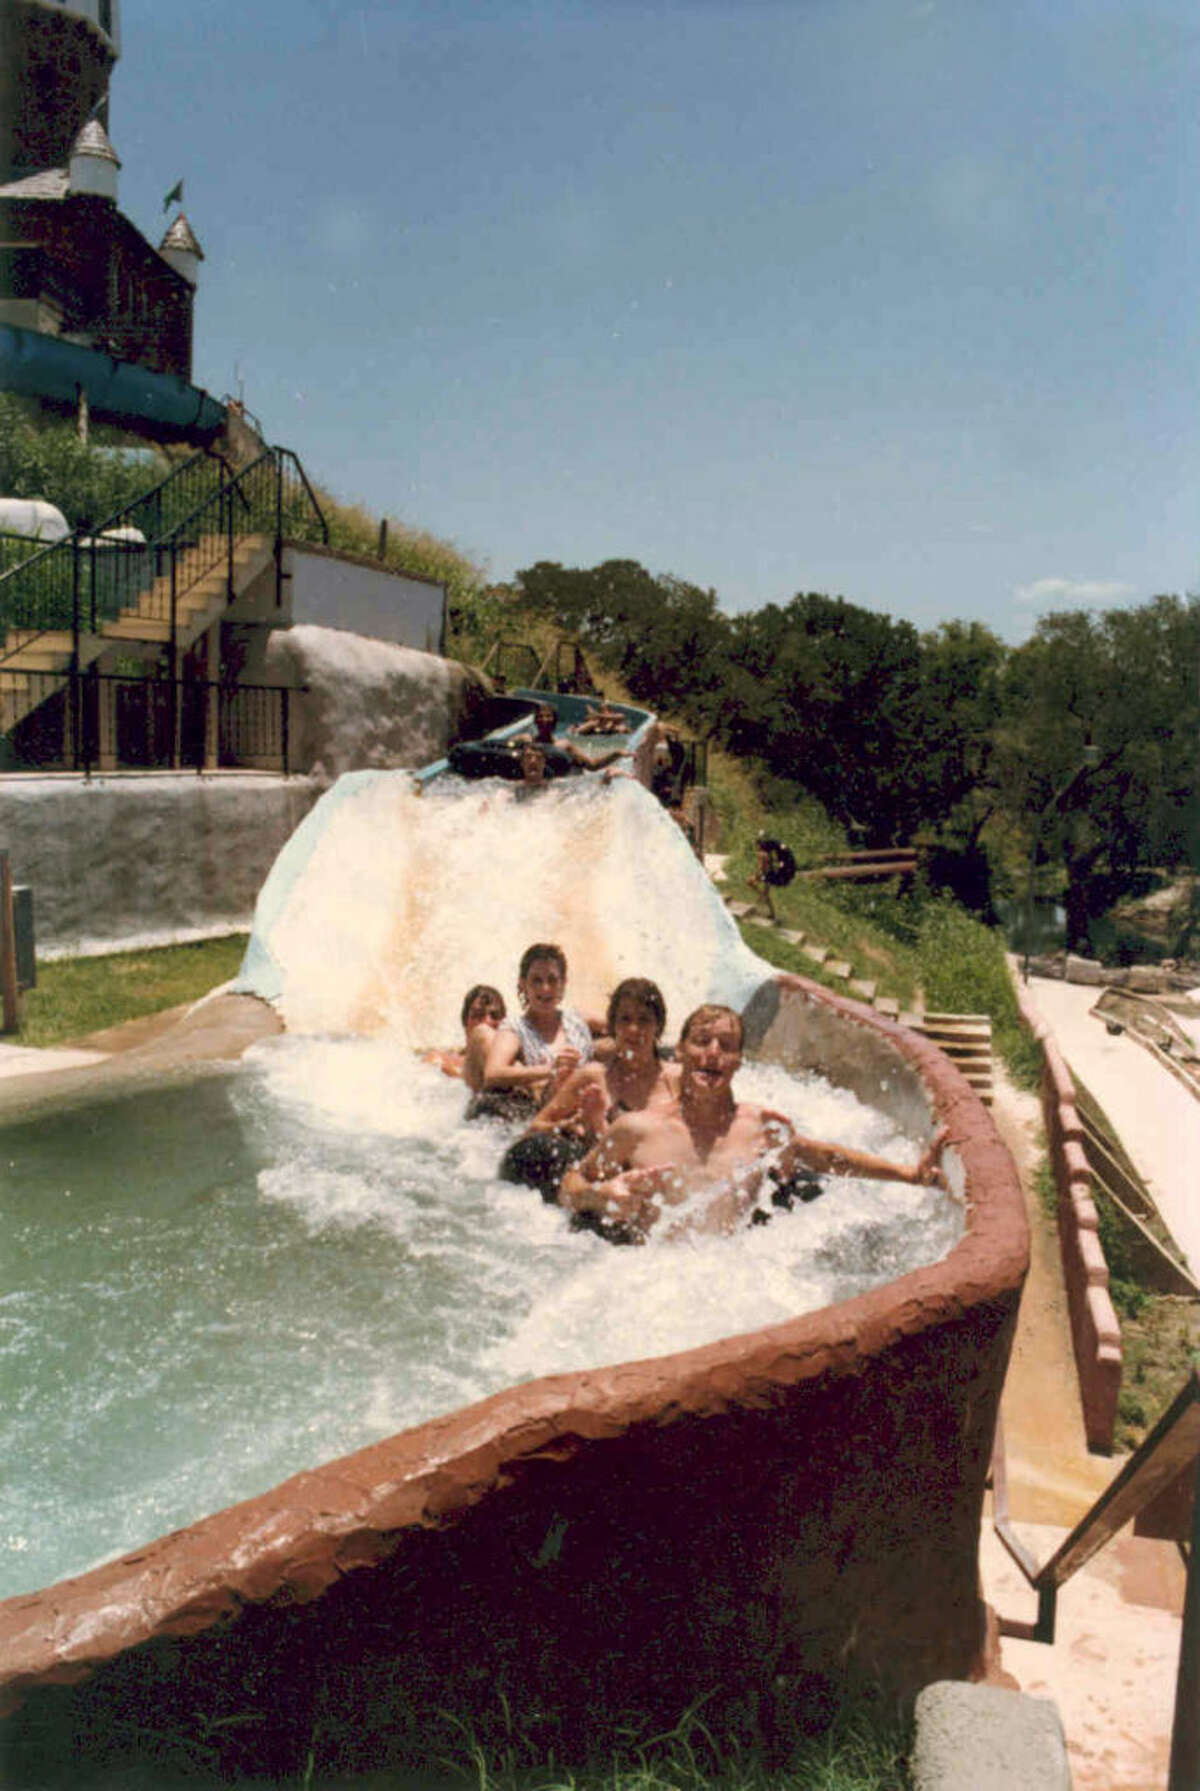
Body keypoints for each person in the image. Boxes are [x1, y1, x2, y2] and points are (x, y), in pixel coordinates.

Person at [559, 1003, 950, 1242]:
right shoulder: (637, 1129)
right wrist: (599, 1196)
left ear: (739, 1061)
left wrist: (910, 1174)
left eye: (726, 1046)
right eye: (702, 1041)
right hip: (653, 1277)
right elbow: (570, 1186)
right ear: (680, 1051)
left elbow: (826, 1157)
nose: (713, 1053)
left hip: (732, 1273)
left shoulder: (760, 1126)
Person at [499, 978, 677, 1200]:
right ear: (612, 1026)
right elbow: (534, 1129)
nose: (634, 1029)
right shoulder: (593, 1076)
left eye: (644, 1020)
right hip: (610, 1190)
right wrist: (571, 1125)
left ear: (658, 1026)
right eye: (625, 1019)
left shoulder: (676, 1080)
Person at [480, 942, 599, 1114]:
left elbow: (620, 1026)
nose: (545, 988)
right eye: (537, 981)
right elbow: (493, 1073)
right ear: (523, 984)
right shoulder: (515, 1028)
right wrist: (550, 1070)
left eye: (552, 980)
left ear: (563, 983)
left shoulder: (577, 1018)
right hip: (546, 1114)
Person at [424, 985, 507, 1091]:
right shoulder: (442, 1061)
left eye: (495, 1016)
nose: (487, 1022)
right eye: (478, 1015)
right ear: (465, 1022)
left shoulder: (515, 1061)